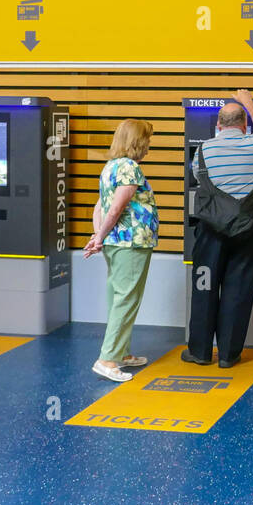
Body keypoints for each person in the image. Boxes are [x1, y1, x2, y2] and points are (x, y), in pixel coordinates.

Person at [184, 89, 253, 369]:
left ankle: (199, 351)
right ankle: (228, 355)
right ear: (244, 125)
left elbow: (196, 176)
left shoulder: (203, 150)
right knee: (238, 290)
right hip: (248, 229)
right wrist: (248, 103)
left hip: (210, 231)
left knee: (204, 288)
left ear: (218, 126)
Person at [83, 119, 159, 382]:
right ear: (137, 141)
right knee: (126, 300)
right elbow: (115, 208)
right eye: (147, 140)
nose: (149, 146)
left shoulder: (110, 167)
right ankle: (107, 360)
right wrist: (99, 236)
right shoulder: (130, 167)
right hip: (131, 243)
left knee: (118, 297)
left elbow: (99, 206)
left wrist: (98, 237)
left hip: (117, 243)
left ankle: (121, 353)